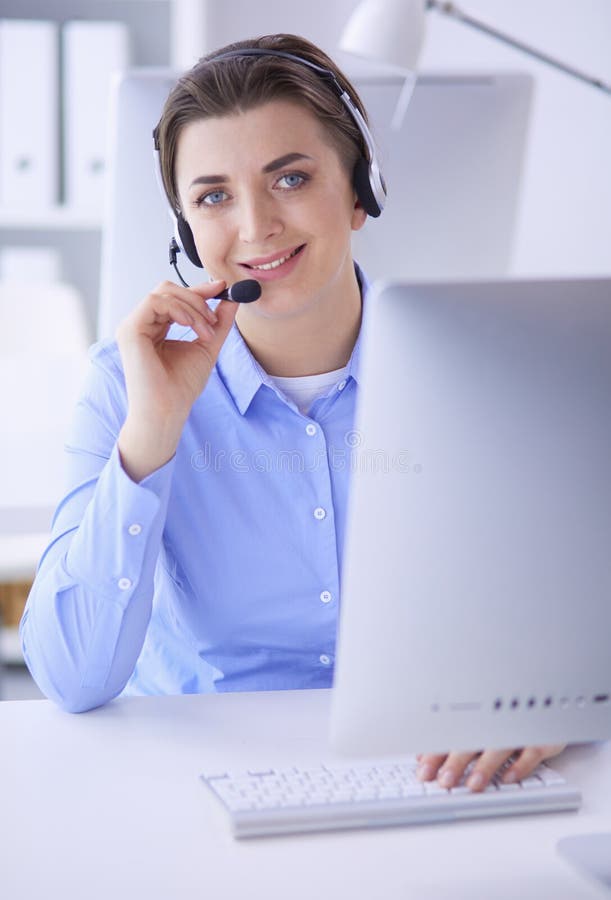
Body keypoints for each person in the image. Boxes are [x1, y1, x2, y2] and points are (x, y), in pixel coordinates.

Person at [20, 32, 564, 791]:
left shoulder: (482, 374)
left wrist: (546, 696)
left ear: (359, 192)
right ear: (184, 231)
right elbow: (73, 678)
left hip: (425, 775)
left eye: (290, 178)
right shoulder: (124, 385)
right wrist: (153, 432)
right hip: (194, 786)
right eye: (212, 196)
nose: (254, 227)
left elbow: (565, 606)